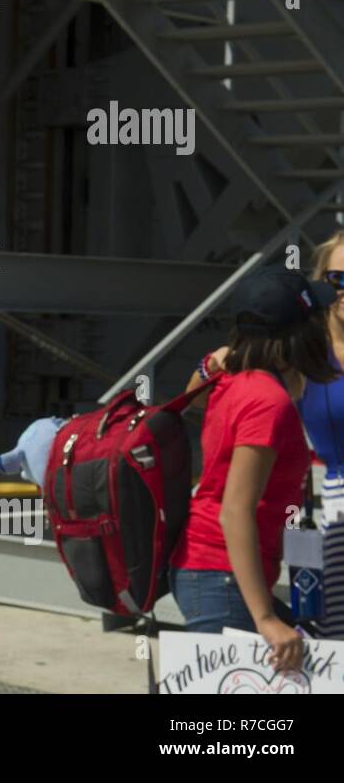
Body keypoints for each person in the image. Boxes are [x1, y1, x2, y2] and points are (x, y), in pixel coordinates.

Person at [171, 265, 337, 672]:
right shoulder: (267, 401)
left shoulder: (233, 381)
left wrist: (219, 359)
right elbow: (235, 510)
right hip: (221, 575)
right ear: (298, 333)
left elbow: (188, 396)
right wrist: (266, 619)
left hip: (209, 572)